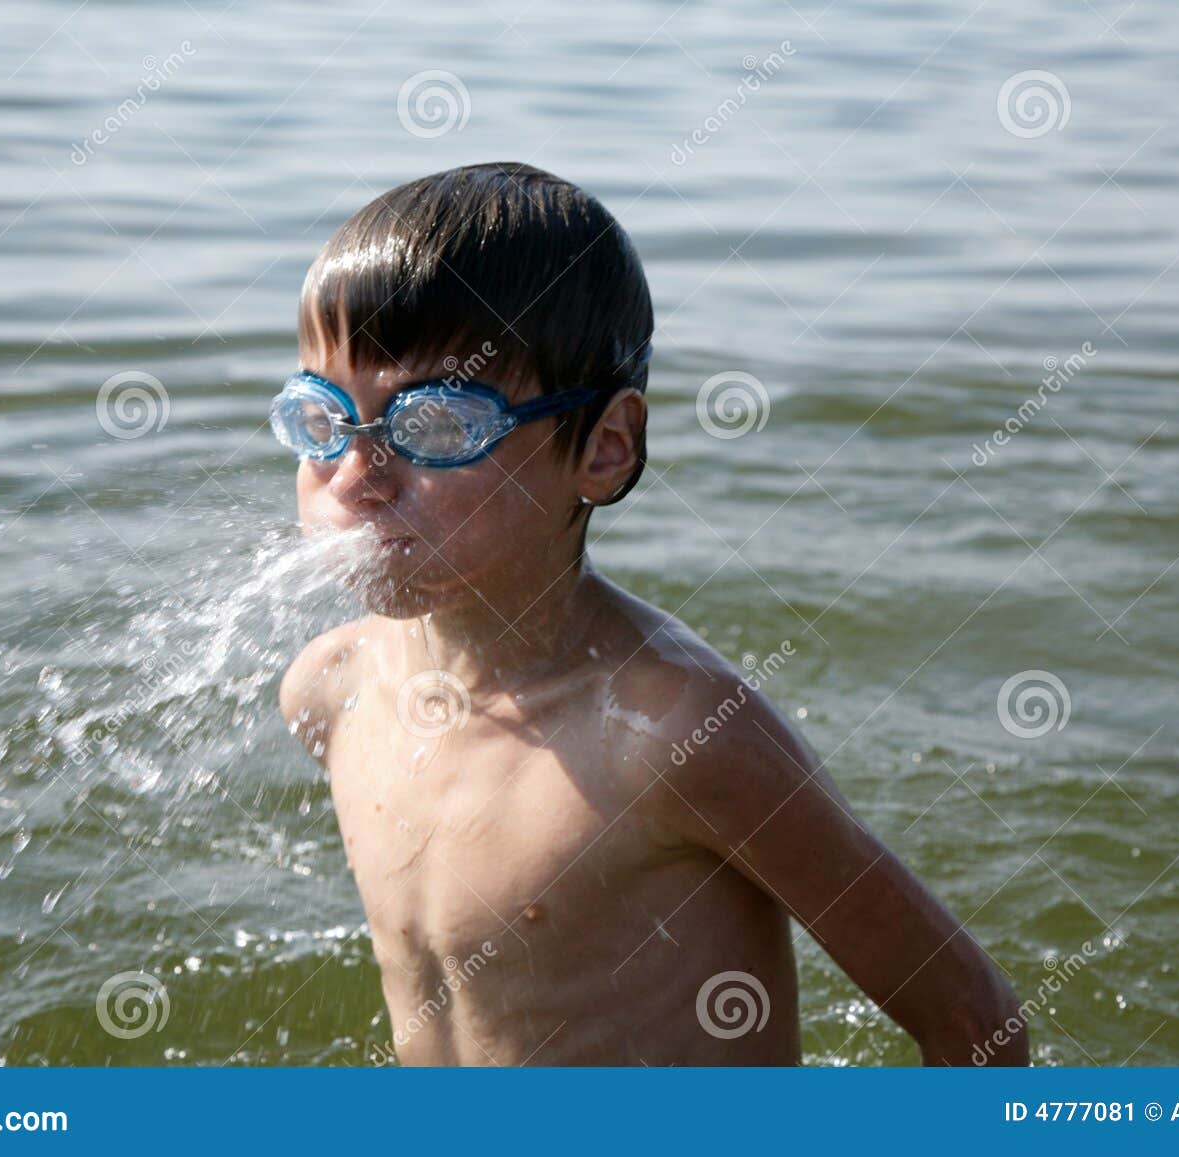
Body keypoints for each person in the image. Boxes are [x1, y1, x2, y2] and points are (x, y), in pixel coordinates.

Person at [276, 161, 1026, 1066]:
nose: (357, 480)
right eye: (324, 421)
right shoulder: (332, 690)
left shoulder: (675, 734)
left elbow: (976, 1023)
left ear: (604, 448)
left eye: (434, 427)